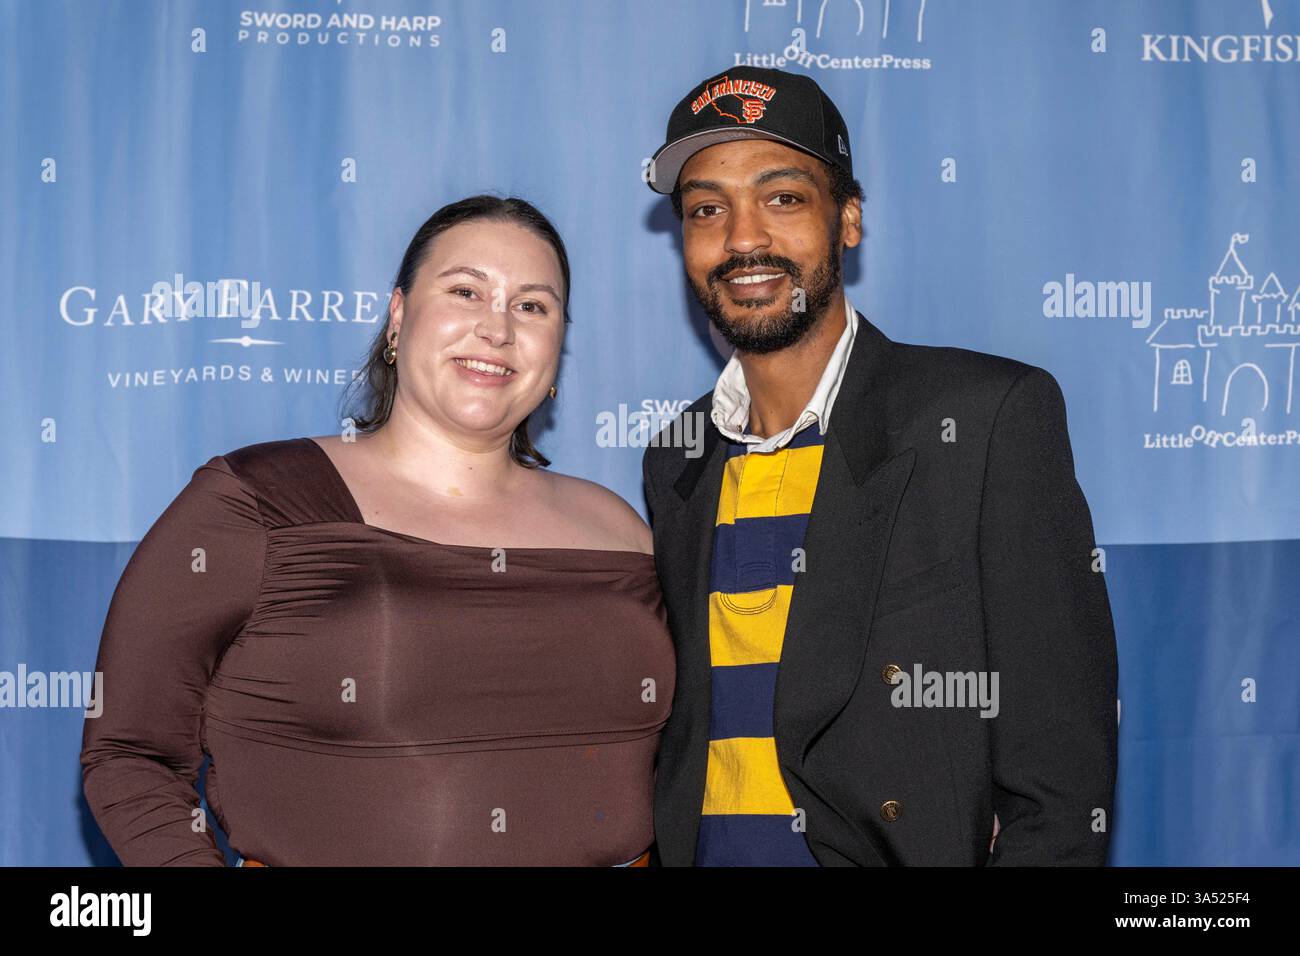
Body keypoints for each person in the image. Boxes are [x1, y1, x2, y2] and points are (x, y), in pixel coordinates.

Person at [81, 195, 674, 866]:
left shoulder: (623, 529)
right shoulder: (256, 501)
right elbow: (130, 754)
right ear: (399, 317)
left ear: (558, 347)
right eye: (465, 291)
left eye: (532, 306)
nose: (497, 329)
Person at [641, 67, 1118, 866]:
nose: (743, 238)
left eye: (783, 197)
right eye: (706, 209)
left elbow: (1062, 788)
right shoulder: (676, 459)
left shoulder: (985, 418)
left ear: (848, 220)